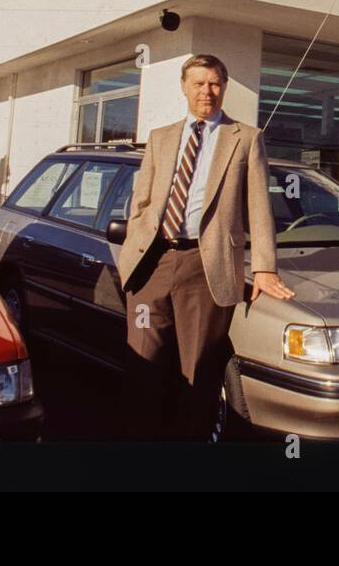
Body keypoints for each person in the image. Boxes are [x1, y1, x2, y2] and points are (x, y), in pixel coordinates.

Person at [116, 53, 294, 439]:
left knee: (197, 372)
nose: (206, 92)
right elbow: (142, 202)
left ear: (224, 87)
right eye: (198, 83)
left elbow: (259, 208)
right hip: (152, 265)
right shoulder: (161, 138)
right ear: (184, 88)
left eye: (214, 83)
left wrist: (264, 266)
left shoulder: (246, 139)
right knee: (143, 368)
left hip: (205, 269)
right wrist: (133, 246)